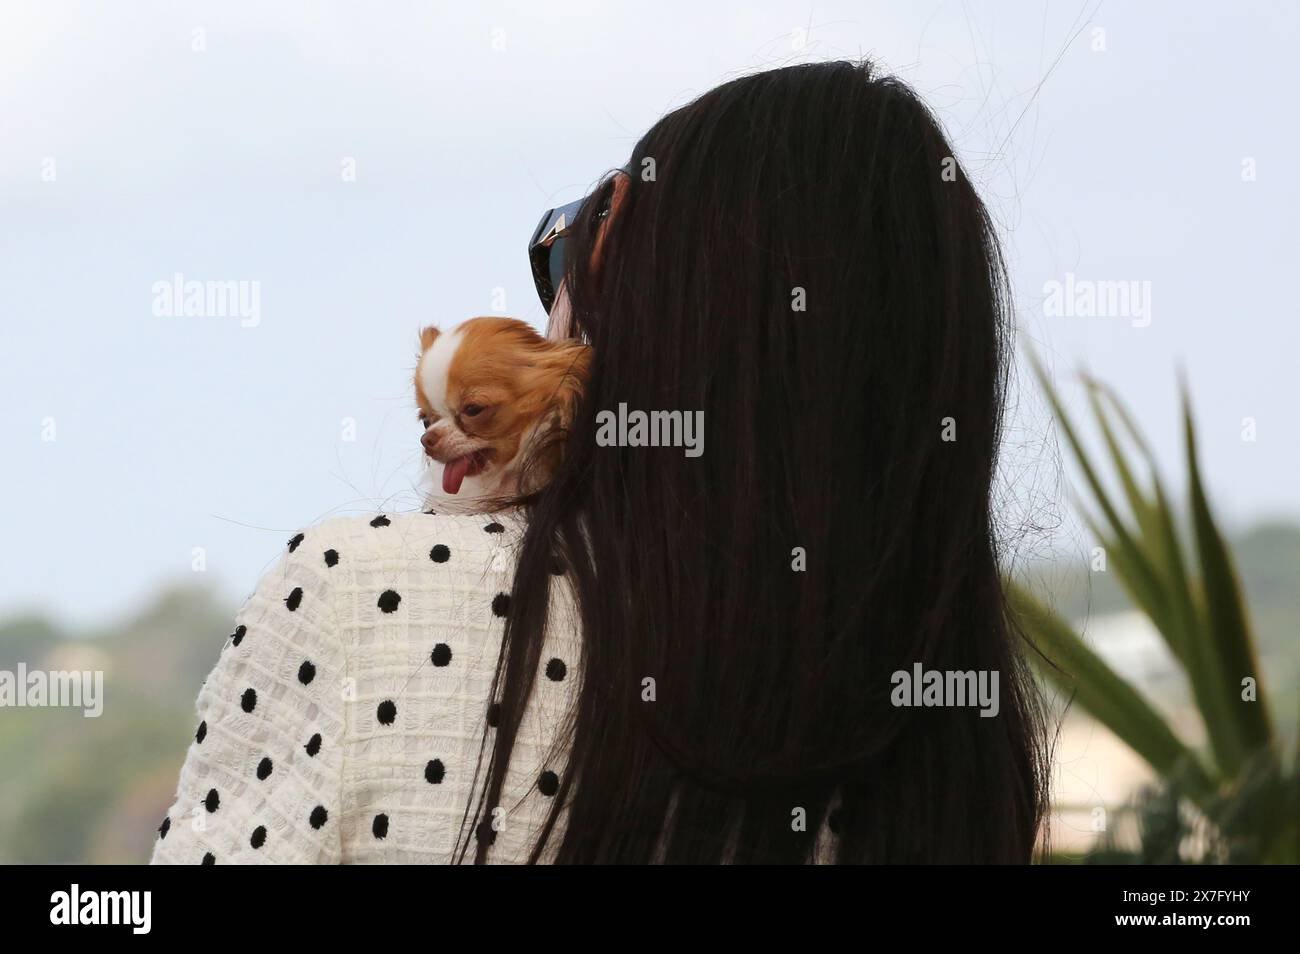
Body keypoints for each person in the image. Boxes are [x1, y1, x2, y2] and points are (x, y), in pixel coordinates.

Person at [152, 59, 1047, 865]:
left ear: (652, 307)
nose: (547, 307)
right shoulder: (951, 725)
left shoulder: (359, 593)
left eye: (575, 246)